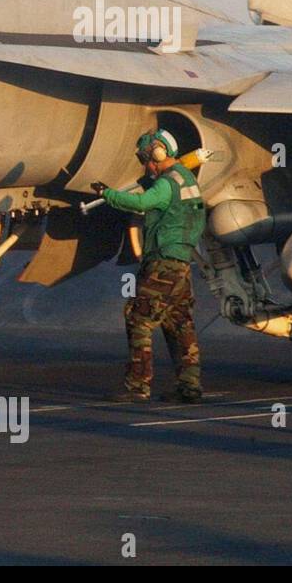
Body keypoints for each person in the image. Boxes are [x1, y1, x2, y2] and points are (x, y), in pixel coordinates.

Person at [94, 129, 206, 403]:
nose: (146, 165)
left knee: (139, 316)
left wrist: (108, 194)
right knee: (178, 322)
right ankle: (189, 386)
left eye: (146, 158)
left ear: (156, 154)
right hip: (181, 262)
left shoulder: (167, 184)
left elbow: (142, 203)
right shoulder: (186, 177)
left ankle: (138, 386)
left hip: (163, 261)